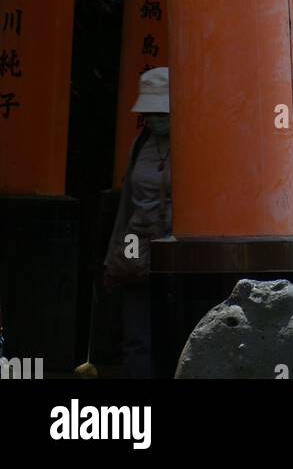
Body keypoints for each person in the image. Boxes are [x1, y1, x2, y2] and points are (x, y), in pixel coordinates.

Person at [104, 67, 172, 379]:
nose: (153, 118)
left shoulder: (194, 145)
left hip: (173, 245)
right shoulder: (140, 144)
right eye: (149, 112)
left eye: (160, 112)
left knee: (170, 327)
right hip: (135, 240)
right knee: (135, 327)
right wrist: (112, 256)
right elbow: (126, 202)